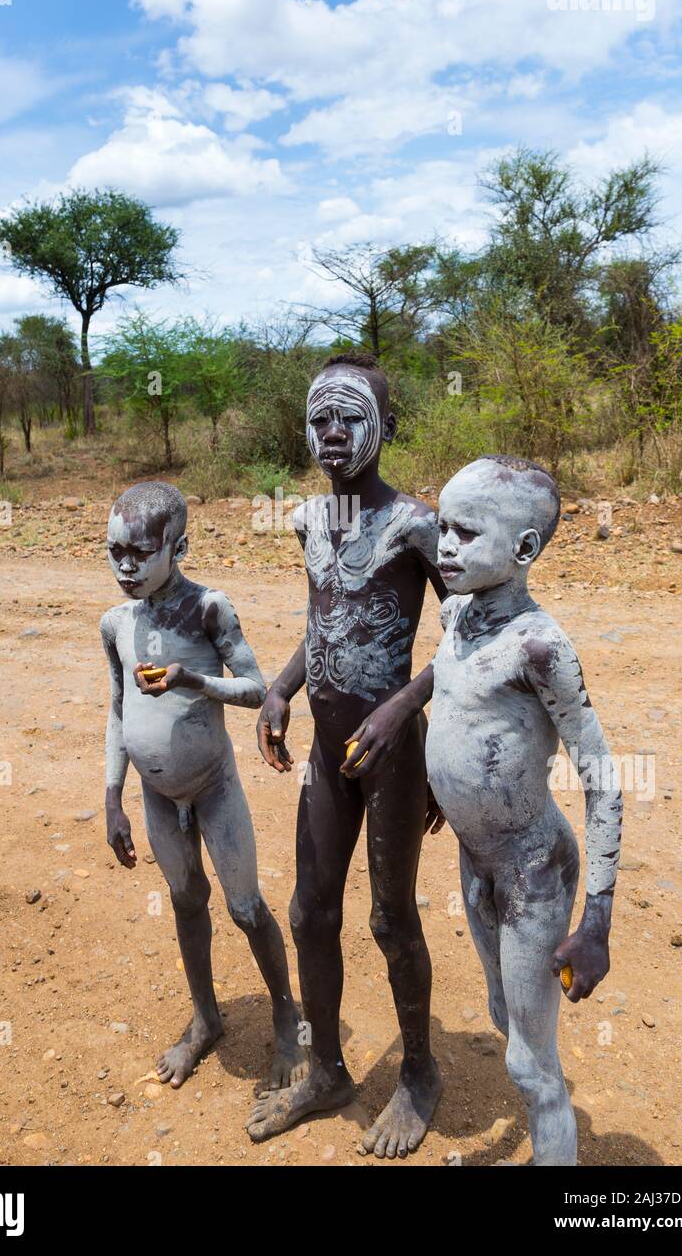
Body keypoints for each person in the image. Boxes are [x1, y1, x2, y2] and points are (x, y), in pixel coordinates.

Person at [248, 352, 446, 1159]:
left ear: (386, 428)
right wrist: (280, 688)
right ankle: (326, 1069)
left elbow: (470, 636)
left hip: (393, 756)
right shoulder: (306, 519)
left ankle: (421, 1072)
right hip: (330, 755)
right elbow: (321, 621)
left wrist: (407, 705)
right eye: (320, 416)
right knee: (308, 912)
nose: (332, 430)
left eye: (351, 415)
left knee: (391, 919)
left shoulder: (414, 525)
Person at [411, 455, 622, 1165]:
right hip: (477, 863)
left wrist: (596, 921)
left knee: (530, 1066)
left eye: (466, 533)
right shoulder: (456, 613)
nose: (444, 546)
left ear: (524, 550)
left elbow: (604, 779)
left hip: (532, 871)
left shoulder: (539, 647)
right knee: (506, 1018)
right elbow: (451, 697)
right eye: (442, 526)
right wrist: (435, 786)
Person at [101, 481, 305, 1091]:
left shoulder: (208, 608)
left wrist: (194, 680)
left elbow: (255, 689)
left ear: (179, 545)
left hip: (213, 787)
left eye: (141, 551)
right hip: (157, 795)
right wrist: (112, 795)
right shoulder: (116, 622)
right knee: (188, 902)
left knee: (245, 908)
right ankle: (206, 1019)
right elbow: (116, 709)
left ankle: (287, 1016)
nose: (126, 566)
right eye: (115, 552)